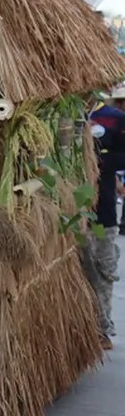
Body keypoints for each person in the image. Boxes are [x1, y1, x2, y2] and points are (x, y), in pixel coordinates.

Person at [86, 94, 125, 348]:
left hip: (103, 211)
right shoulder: (58, 114)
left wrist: (95, 162)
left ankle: (102, 327)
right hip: (68, 211)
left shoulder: (114, 119)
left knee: (103, 269)